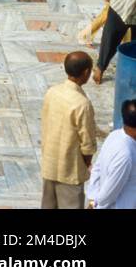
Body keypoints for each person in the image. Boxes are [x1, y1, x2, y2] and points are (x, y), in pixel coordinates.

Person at [39, 53, 96, 209]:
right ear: (86, 72)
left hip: (50, 161)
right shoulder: (82, 104)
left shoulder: (52, 92)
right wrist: (87, 162)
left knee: (48, 204)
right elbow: (87, 143)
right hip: (70, 167)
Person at [85, 99, 136, 208]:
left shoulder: (114, 135)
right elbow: (108, 194)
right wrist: (94, 203)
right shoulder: (125, 156)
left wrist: (92, 197)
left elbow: (96, 169)